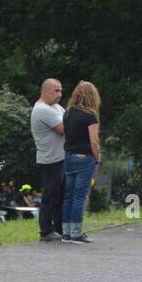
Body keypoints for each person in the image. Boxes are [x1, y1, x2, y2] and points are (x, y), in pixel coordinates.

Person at [61, 80, 102, 244]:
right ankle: (77, 234)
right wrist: (96, 157)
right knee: (79, 197)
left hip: (69, 156)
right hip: (85, 158)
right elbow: (94, 141)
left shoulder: (68, 113)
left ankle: (66, 233)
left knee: (68, 196)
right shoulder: (91, 115)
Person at [29, 78, 65, 241]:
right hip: (51, 160)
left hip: (60, 158)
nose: (60, 95)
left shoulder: (56, 108)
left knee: (60, 195)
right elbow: (64, 128)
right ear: (45, 92)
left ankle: (59, 228)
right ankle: (46, 230)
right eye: (56, 91)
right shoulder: (43, 109)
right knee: (50, 196)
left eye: (61, 91)